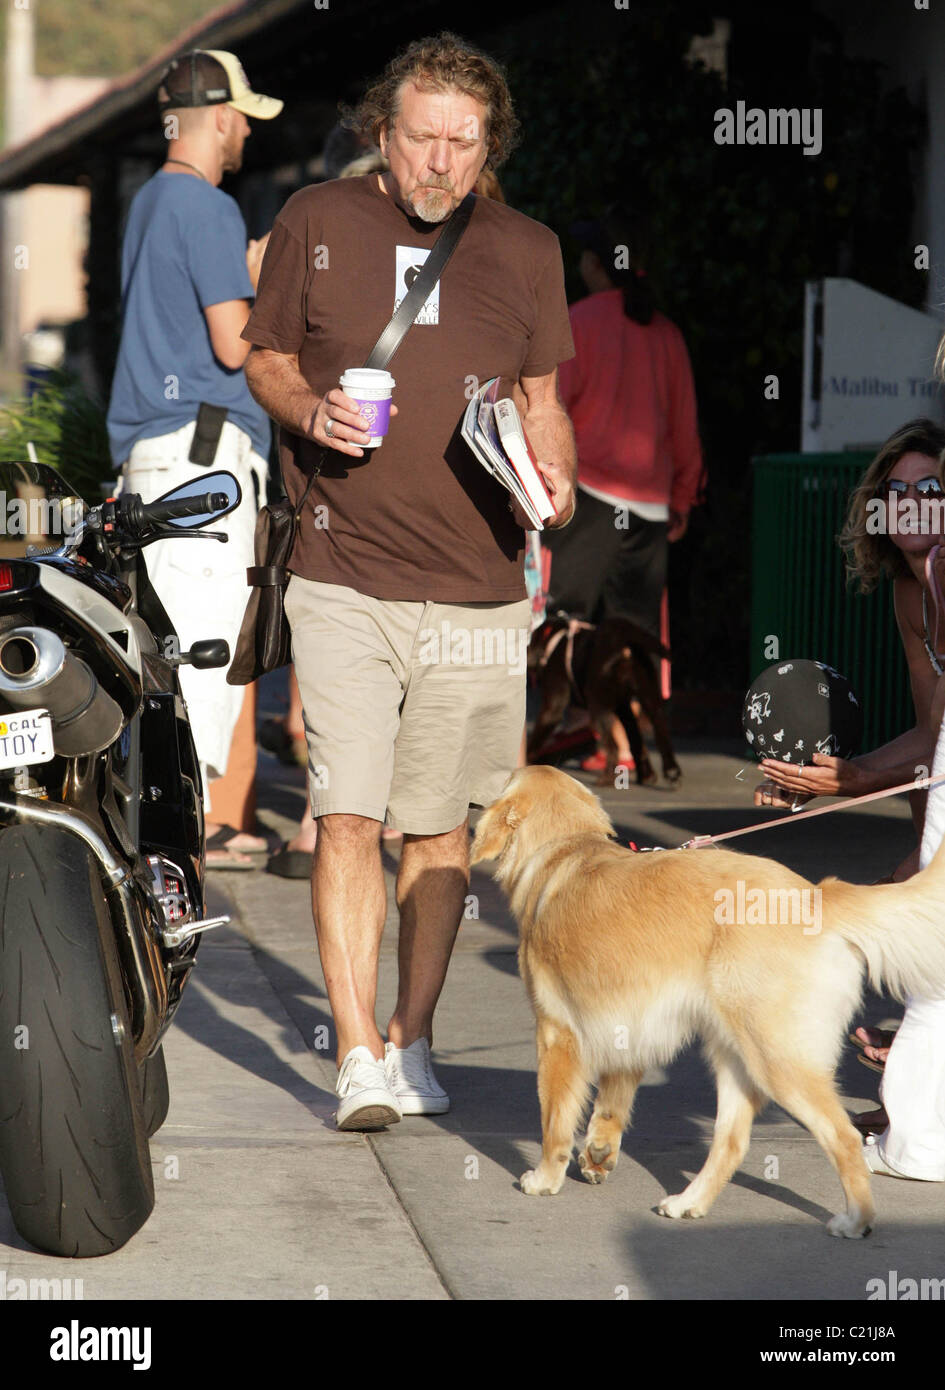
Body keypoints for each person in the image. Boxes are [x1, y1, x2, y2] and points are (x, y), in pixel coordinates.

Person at [241, 31, 576, 1130]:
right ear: (382, 135)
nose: (440, 161)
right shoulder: (317, 223)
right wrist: (308, 409)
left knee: (439, 831)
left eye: (463, 143)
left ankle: (413, 1037)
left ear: (491, 149)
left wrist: (559, 474)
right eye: (422, 137)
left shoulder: (528, 249)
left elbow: (539, 395)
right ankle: (354, 1052)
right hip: (343, 568)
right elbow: (267, 355)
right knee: (347, 817)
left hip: (481, 585)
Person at [106, 50, 283, 868]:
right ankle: (199, 831)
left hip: (154, 457)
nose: (246, 129)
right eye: (242, 115)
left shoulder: (148, 202)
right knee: (207, 655)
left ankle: (202, 825)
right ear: (217, 117)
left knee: (170, 651)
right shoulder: (208, 207)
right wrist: (259, 279)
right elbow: (230, 338)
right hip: (200, 458)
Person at [754, 419, 945, 1131]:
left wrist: (859, 782)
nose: (911, 503)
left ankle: (918, 1094)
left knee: (906, 908)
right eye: (894, 491)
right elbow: (934, 733)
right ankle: (917, 1089)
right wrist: (840, 775)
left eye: (930, 488)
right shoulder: (910, 592)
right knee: (903, 905)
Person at [543, 206, 704, 771]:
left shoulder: (579, 323)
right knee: (633, 631)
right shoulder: (667, 334)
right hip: (650, 506)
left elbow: (549, 409)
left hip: (589, 500)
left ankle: (590, 737)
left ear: (593, 265)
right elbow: (685, 424)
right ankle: (629, 748)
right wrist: (683, 497)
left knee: (568, 624)